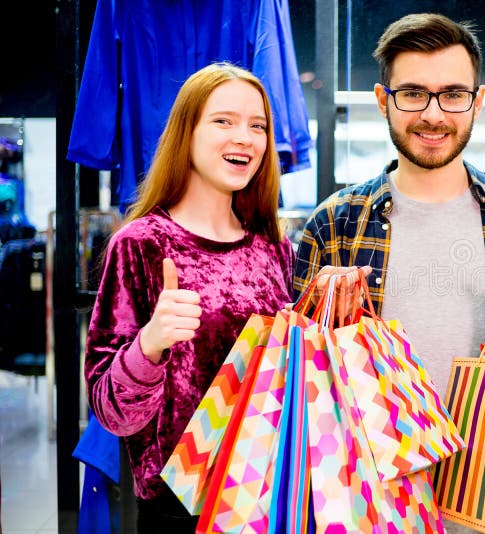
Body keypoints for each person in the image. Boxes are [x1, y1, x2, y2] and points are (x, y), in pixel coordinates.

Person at [292, 13, 485, 532]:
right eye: (413, 94)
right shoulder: (334, 222)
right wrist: (326, 329)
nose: (434, 114)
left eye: (453, 94)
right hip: (366, 500)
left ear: (477, 101)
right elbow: (300, 386)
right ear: (383, 100)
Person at [83, 62, 295, 533]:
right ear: (187, 132)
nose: (245, 137)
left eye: (257, 125)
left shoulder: (274, 247)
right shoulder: (142, 244)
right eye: (224, 121)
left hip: (266, 495)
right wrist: (150, 345)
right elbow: (109, 411)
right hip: (180, 506)